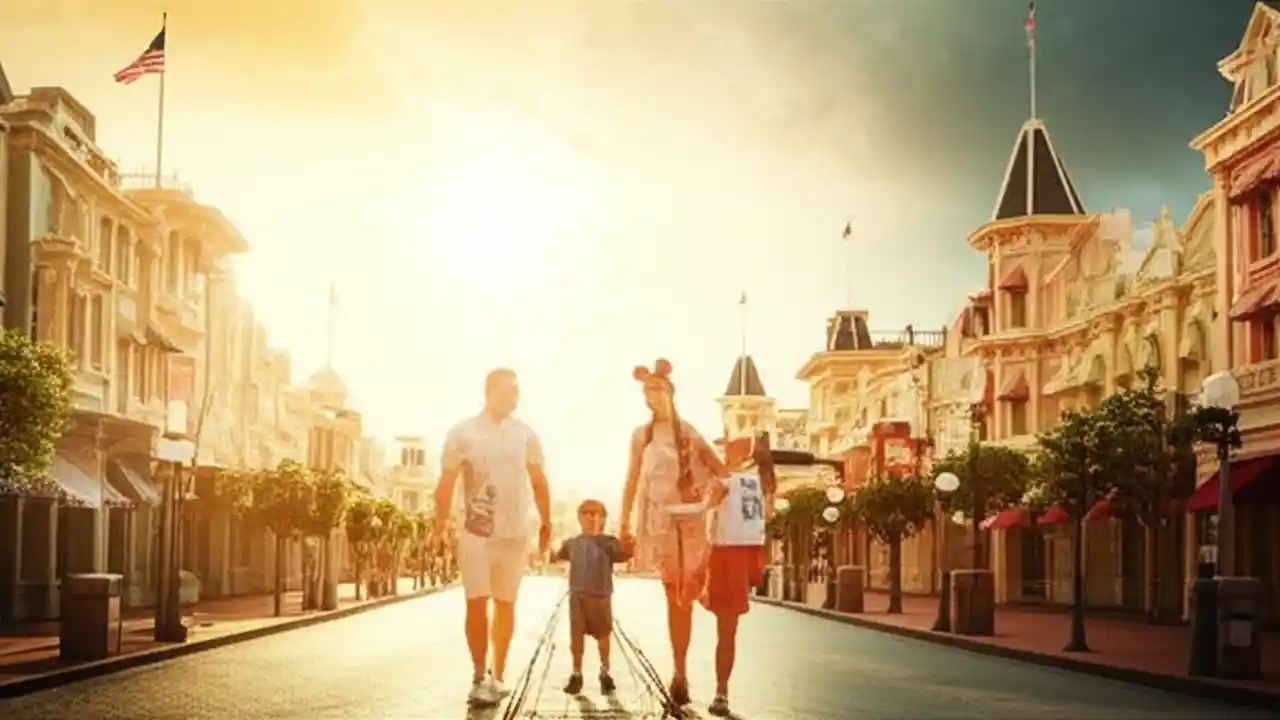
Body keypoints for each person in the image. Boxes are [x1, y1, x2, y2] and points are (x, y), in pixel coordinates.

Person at [617, 358, 747, 708]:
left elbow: (722, 474)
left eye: (657, 390)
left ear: (671, 393)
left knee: (704, 597)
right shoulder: (641, 436)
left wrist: (719, 491)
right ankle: (680, 672)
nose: (651, 397)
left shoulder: (689, 433)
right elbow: (630, 480)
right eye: (647, 392)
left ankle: (721, 686)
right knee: (677, 600)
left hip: (696, 525)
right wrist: (623, 522)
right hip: (663, 526)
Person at [434, 368, 552, 708]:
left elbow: (539, 480)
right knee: (476, 599)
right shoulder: (463, 433)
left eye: (517, 390)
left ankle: (497, 675)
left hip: (514, 531)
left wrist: (545, 524)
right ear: (491, 391)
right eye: (509, 390)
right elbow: (446, 483)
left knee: (505, 602)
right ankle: (477, 675)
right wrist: (440, 525)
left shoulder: (525, 434)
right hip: (476, 530)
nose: (516, 396)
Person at [702, 431, 776, 717]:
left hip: (728, 553)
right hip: (747, 552)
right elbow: (768, 514)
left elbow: (703, 507)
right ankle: (721, 690)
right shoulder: (762, 481)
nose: (723, 452)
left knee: (725, 628)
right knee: (727, 629)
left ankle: (721, 691)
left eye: (728, 448)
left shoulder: (727, 481)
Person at [554, 499, 633, 696]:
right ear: (579, 517)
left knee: (604, 636)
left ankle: (605, 672)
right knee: (576, 637)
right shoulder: (572, 543)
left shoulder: (609, 542)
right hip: (577, 596)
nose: (590, 517)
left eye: (595, 513)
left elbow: (625, 554)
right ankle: (576, 673)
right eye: (586, 513)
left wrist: (629, 539)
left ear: (604, 518)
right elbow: (555, 556)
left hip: (601, 596)